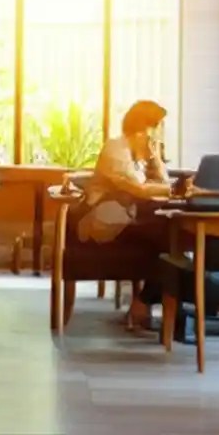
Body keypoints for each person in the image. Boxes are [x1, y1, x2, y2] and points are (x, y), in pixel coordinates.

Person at [75, 100, 173, 326]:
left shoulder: (138, 154)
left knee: (170, 235)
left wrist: (156, 159)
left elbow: (160, 184)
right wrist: (176, 189)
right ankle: (144, 303)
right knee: (167, 239)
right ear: (143, 129)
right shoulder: (116, 150)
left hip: (126, 217)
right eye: (157, 127)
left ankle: (151, 305)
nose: (159, 135)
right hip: (104, 221)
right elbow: (139, 189)